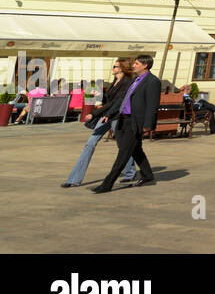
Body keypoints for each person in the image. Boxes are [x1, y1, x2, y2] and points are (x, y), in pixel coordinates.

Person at [62, 58, 138, 188]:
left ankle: (130, 173)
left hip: (116, 117)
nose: (113, 68)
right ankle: (74, 179)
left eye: (115, 66)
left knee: (122, 145)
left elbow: (117, 103)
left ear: (121, 68)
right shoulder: (116, 81)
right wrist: (98, 96)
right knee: (90, 144)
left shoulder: (127, 83)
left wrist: (95, 114)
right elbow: (110, 101)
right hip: (106, 116)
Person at [91, 54, 161, 192]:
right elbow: (122, 100)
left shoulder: (153, 81)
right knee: (135, 150)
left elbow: (153, 105)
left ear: (145, 65)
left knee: (123, 153)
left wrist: (148, 125)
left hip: (136, 122)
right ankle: (147, 175)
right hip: (124, 119)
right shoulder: (136, 80)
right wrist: (109, 114)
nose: (133, 65)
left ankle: (107, 184)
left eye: (136, 63)